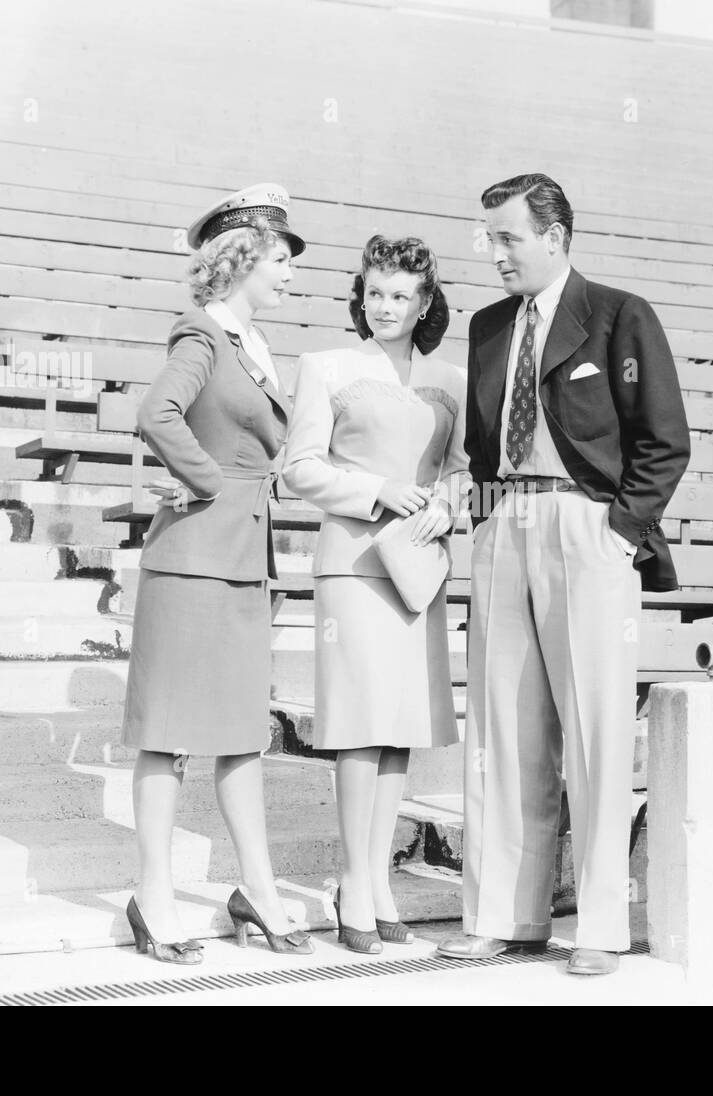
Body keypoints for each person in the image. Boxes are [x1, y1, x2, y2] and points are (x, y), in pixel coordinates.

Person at [437, 173, 690, 975]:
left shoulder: (618, 316)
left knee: (595, 735)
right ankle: (504, 915)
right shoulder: (485, 328)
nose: (496, 253)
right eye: (490, 238)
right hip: (504, 525)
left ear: (554, 236)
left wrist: (620, 533)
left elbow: (664, 440)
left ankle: (601, 928)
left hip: (587, 529)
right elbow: (482, 446)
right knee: (505, 734)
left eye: (508, 237)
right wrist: (482, 518)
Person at [120, 183, 313, 963]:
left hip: (239, 568)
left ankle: (259, 892)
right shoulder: (202, 333)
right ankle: (154, 898)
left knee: (240, 738)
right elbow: (156, 413)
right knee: (168, 739)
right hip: (194, 562)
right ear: (240, 260)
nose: (289, 276)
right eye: (278, 260)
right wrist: (205, 483)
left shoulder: (252, 347)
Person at [283, 235, 467, 954]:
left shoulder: (448, 379)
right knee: (360, 723)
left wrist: (447, 508)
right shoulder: (325, 367)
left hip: (415, 566)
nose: (384, 306)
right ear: (360, 293)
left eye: (400, 295)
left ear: (425, 303)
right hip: (355, 563)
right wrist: (378, 491)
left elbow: (459, 471)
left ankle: (380, 880)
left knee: (400, 726)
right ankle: (353, 880)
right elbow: (300, 467)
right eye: (375, 291)